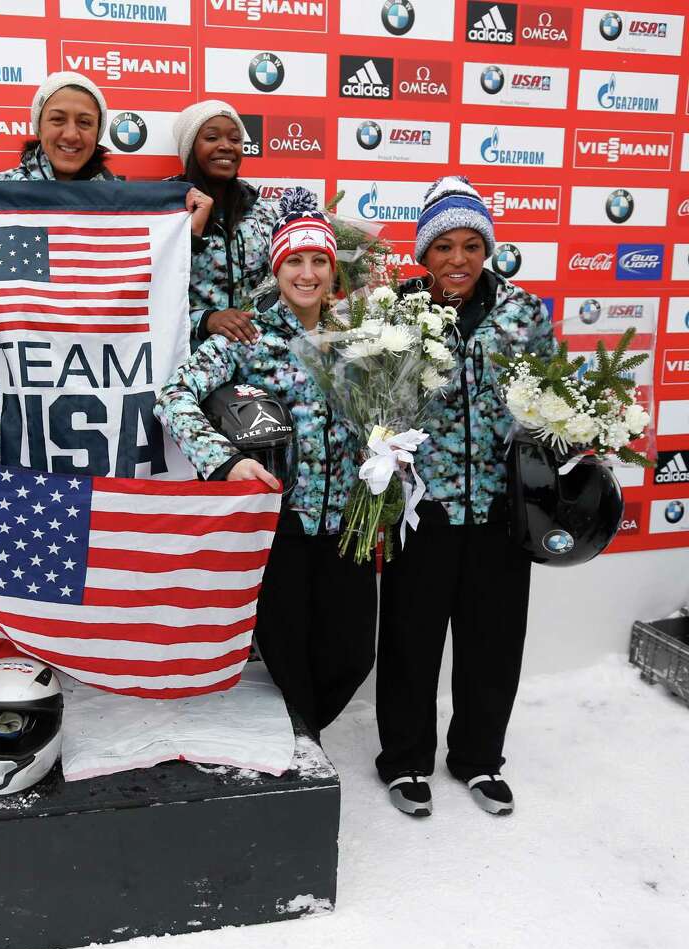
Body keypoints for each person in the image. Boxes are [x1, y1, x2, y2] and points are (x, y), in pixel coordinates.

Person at [155, 191, 377, 741]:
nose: (307, 273)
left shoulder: (358, 338)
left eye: (318, 260)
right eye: (294, 261)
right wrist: (225, 462)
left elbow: (386, 410)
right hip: (280, 527)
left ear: (333, 269)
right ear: (276, 268)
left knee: (353, 654)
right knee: (287, 652)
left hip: (349, 525)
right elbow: (174, 396)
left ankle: (304, 732)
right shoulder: (248, 334)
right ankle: (306, 754)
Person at [375, 177, 555, 818]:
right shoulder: (395, 313)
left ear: (488, 249)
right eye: (444, 246)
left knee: (494, 641)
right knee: (409, 640)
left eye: (471, 245)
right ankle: (403, 762)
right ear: (424, 255)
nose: (458, 259)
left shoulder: (525, 312)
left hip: (502, 513)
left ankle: (479, 760)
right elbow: (374, 407)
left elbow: (548, 404)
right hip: (425, 509)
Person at [0, 71, 211, 237]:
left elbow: (153, 279)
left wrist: (189, 234)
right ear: (39, 126)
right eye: (58, 119)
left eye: (84, 123)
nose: (71, 134)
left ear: (97, 133)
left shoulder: (124, 203)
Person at [171, 100, 279, 349]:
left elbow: (278, 285)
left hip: (253, 351)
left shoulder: (262, 211)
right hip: (185, 356)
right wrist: (206, 320)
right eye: (211, 138)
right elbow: (149, 291)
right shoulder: (165, 209)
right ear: (189, 148)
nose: (226, 146)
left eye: (234, 139)